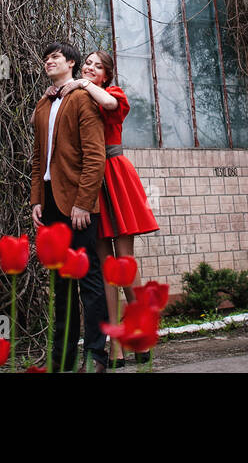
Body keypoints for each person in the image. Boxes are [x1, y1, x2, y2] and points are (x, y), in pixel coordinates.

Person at [61, 50, 159, 367]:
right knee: (106, 272)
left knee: (124, 267)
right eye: (87, 63)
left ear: (106, 75)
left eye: (97, 66)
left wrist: (80, 84)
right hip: (92, 182)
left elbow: (111, 106)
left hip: (115, 176)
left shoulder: (110, 93)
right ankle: (115, 346)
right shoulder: (79, 98)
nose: (90, 67)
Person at [30, 41, 109, 372]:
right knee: (60, 285)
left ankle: (95, 358)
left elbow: (95, 157)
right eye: (46, 58)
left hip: (76, 206)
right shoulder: (43, 105)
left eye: (55, 57)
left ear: (72, 63)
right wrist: (36, 198)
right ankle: (62, 359)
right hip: (49, 204)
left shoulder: (82, 99)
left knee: (88, 281)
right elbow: (38, 159)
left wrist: (83, 203)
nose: (49, 61)